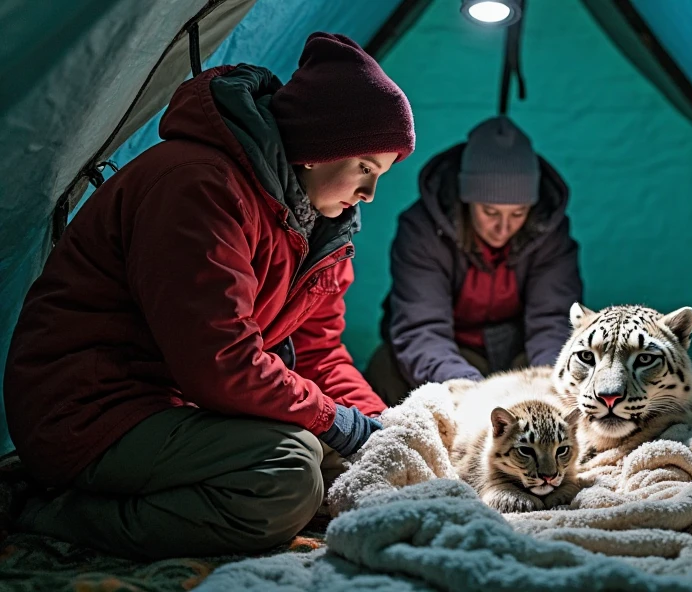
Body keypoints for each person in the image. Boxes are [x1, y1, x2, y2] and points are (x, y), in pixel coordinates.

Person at [2, 33, 415, 559]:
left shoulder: (319, 232)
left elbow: (317, 353)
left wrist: (382, 428)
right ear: (320, 146)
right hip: (89, 411)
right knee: (289, 473)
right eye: (366, 167)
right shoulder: (197, 184)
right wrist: (336, 421)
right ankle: (54, 513)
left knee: (356, 467)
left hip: (185, 409)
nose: (369, 194)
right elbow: (219, 361)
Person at [364, 116, 582, 405]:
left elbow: (552, 321)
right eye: (490, 212)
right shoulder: (423, 232)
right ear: (467, 201)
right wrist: (467, 391)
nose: (503, 228)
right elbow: (421, 327)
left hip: (522, 356)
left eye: (518, 213)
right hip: (451, 351)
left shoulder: (550, 233)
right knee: (387, 367)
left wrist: (549, 386)